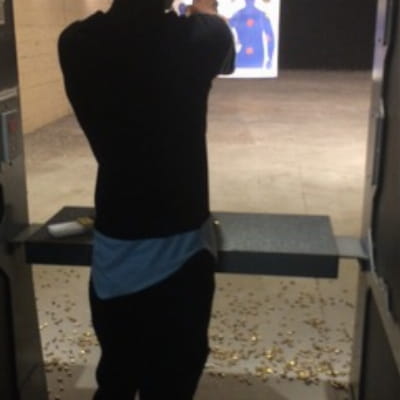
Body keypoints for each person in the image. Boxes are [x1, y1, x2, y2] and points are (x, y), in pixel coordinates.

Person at [58, 0, 234, 399]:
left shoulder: (75, 43)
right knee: (172, 383)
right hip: (184, 251)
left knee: (117, 377)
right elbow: (210, 19)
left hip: (115, 247)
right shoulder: (201, 39)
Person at [229, 0, 275, 69]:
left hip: (255, 54)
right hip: (244, 53)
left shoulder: (261, 16)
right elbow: (225, 30)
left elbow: (270, 38)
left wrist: (270, 57)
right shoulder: (238, 15)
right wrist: (270, 58)